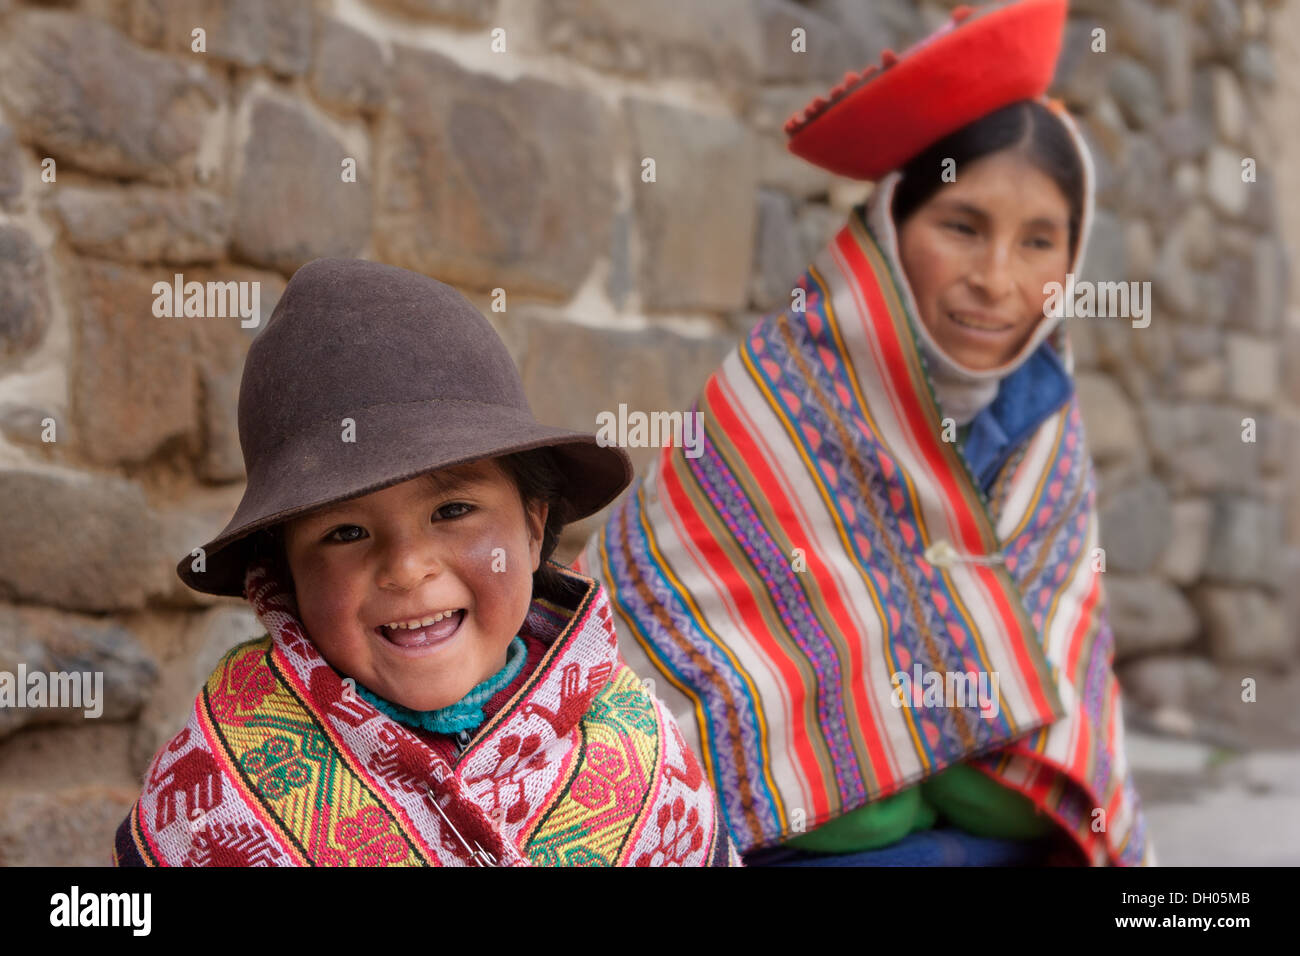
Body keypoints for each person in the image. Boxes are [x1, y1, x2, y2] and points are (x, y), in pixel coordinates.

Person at [578, 0, 1154, 866]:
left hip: (981, 842)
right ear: (890, 228)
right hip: (800, 845)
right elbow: (691, 684)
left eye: (1040, 242)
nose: (997, 279)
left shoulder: (1045, 422)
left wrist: (913, 737)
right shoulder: (774, 398)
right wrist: (886, 748)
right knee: (866, 814)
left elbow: (1056, 717)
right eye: (961, 227)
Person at [113, 258, 739, 867]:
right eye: (346, 531)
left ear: (532, 524)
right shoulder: (223, 788)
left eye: (453, 510)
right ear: (283, 579)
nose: (408, 568)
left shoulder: (638, 757)